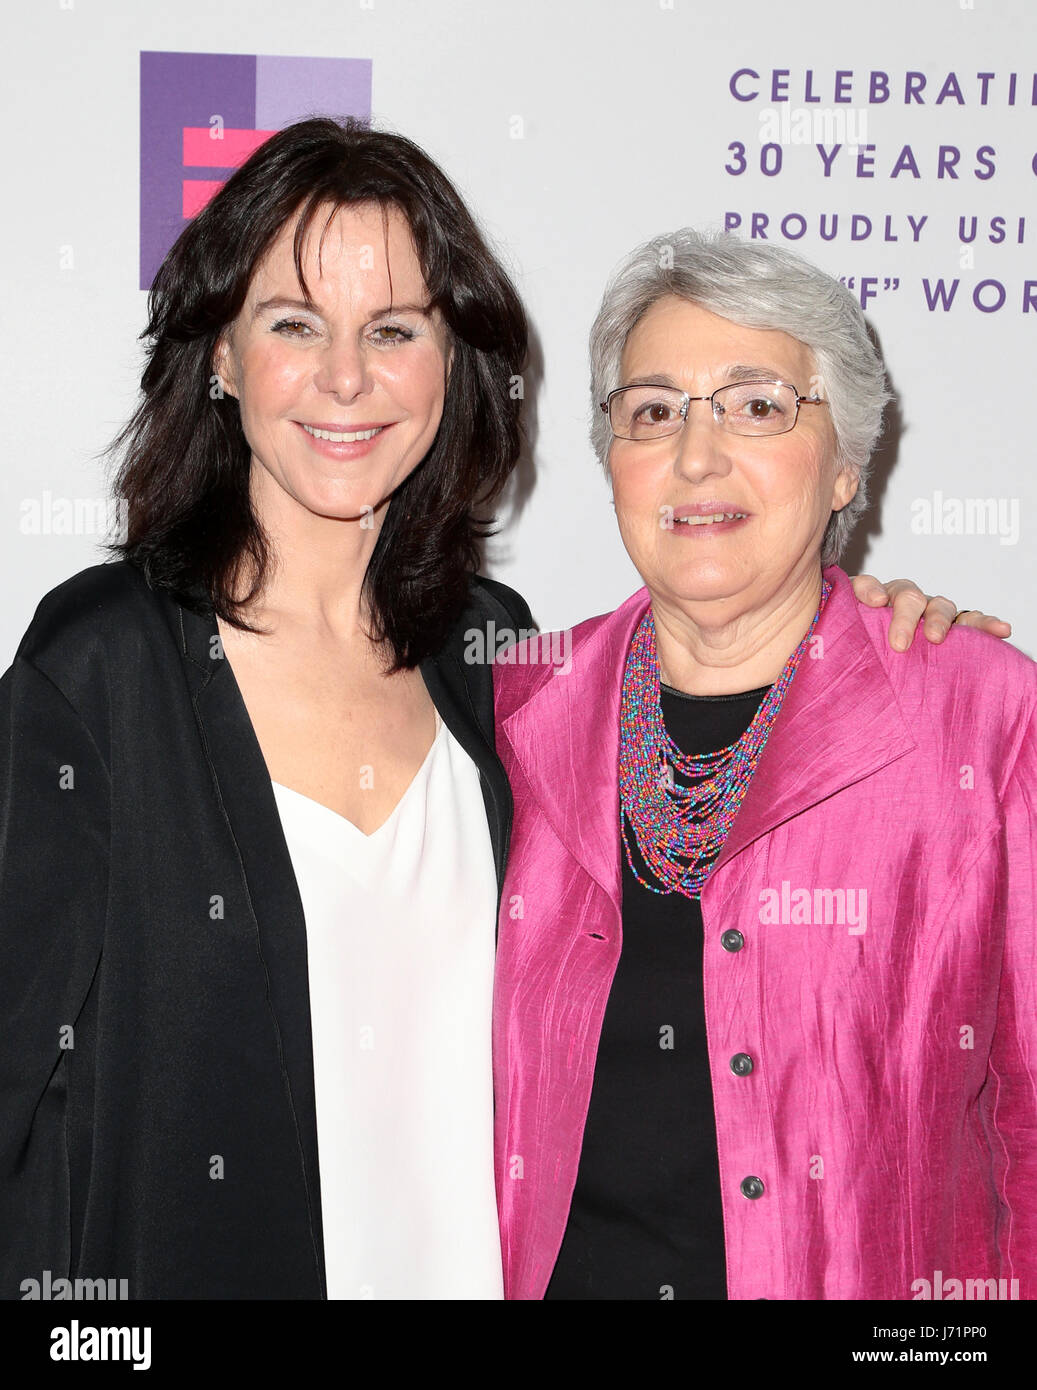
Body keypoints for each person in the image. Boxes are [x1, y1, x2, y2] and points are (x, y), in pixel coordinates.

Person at [0, 117, 1004, 1302]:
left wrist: (874, 626)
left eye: (393, 331)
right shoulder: (102, 665)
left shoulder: (489, 659)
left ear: (451, 362)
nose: (344, 378)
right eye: (291, 325)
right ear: (219, 356)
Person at [491, 228, 1036, 1301]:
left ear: (845, 467)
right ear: (611, 462)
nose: (696, 455)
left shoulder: (981, 717)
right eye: (653, 411)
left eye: (755, 406)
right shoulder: (511, 709)